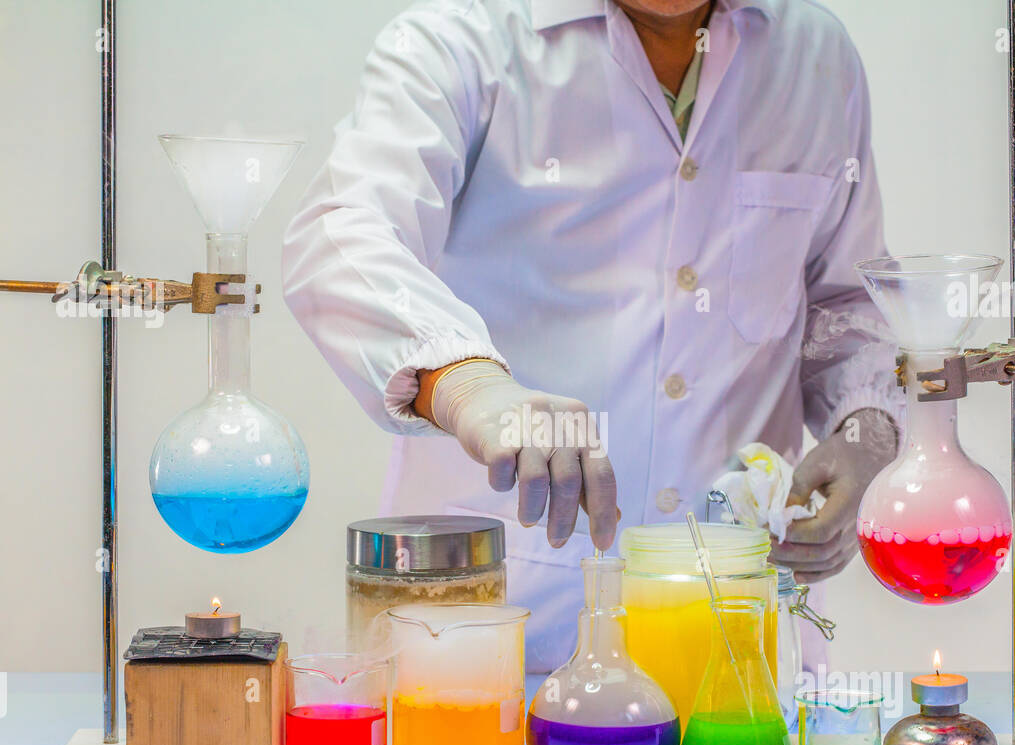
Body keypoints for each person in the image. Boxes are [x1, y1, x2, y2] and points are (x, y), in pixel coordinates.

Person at [282, 0, 902, 671]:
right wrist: (468, 384)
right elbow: (342, 233)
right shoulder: (465, 37)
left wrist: (867, 430)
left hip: (734, 652)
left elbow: (843, 302)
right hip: (488, 646)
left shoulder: (814, 55)